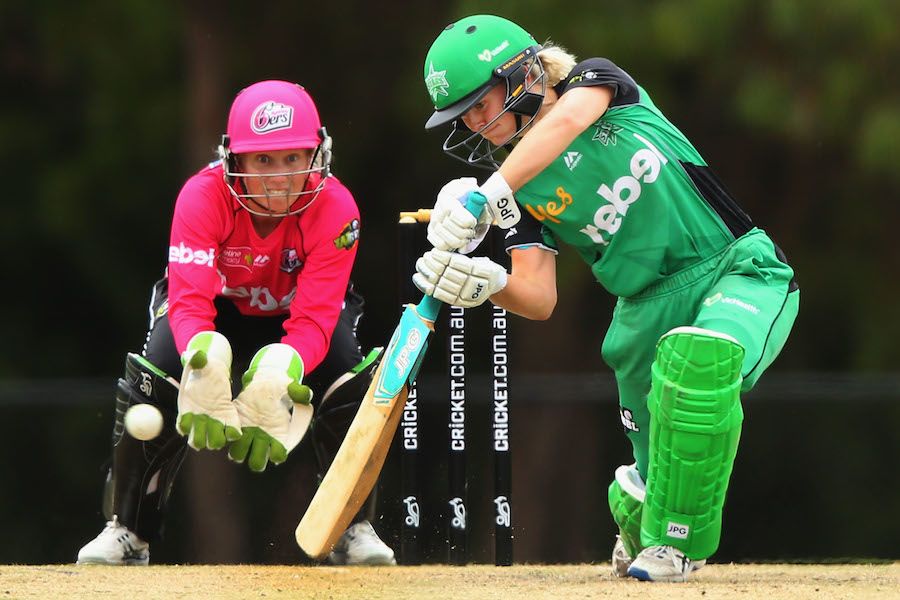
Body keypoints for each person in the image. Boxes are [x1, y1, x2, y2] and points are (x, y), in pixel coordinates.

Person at [414, 15, 799, 582]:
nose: (474, 122)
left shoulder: (594, 82)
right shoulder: (517, 191)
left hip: (736, 269)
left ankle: (676, 544)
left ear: (522, 72)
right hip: (641, 316)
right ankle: (639, 503)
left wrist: (490, 192)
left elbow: (567, 120)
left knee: (699, 369)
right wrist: (485, 284)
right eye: (461, 114)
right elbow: (539, 297)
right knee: (660, 465)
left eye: (480, 102)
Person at [76, 80, 395, 567]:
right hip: (214, 312)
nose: (279, 178)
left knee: (350, 379)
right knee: (155, 372)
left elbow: (314, 318)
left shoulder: (337, 207)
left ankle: (353, 527)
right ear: (233, 159)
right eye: (263, 160)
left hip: (297, 315)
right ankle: (127, 531)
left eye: (293, 158)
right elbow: (188, 302)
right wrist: (202, 364)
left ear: (318, 152)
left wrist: (282, 368)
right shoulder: (201, 196)